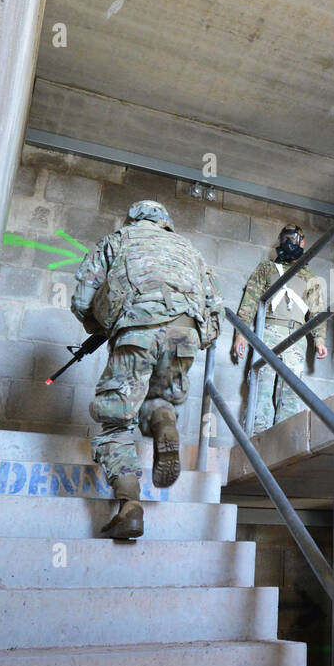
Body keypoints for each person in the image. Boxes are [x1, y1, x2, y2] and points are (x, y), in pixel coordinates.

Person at [71, 200, 221, 539]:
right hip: (186, 334)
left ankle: (129, 508)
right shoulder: (189, 250)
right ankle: (164, 422)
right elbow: (215, 310)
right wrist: (198, 338)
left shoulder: (117, 240)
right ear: (166, 221)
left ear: (132, 217)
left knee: (116, 420)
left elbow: (81, 300)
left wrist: (103, 327)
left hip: (138, 328)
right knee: (160, 394)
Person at [231, 224, 327, 432]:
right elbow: (249, 301)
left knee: (291, 392)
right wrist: (240, 334)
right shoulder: (266, 269)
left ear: (303, 242)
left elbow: (317, 312)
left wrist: (319, 340)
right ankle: (256, 440)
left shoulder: (310, 277)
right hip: (267, 332)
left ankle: (284, 442)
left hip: (296, 337)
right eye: (286, 238)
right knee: (261, 386)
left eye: (295, 238)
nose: (290, 242)